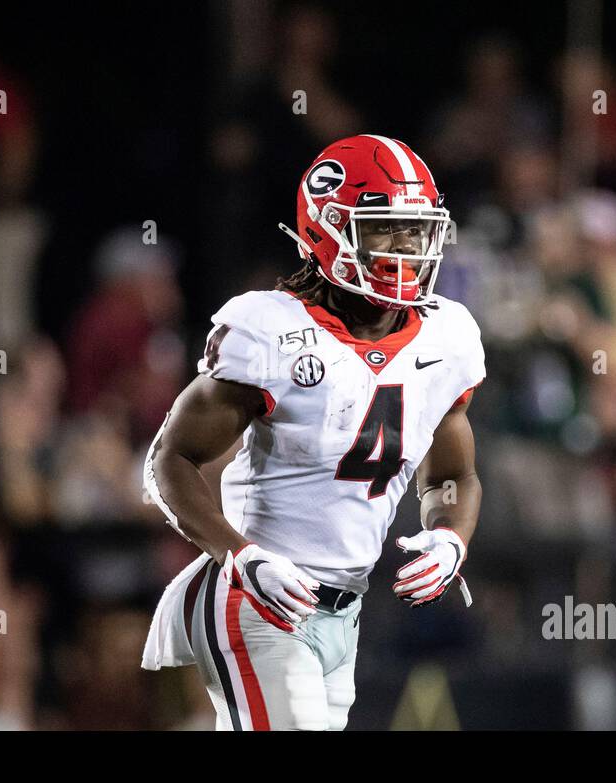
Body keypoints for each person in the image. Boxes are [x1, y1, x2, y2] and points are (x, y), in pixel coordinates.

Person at [140, 135, 485, 730]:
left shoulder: (445, 336)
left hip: (343, 614)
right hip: (255, 601)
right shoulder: (271, 330)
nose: (405, 248)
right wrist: (239, 557)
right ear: (328, 228)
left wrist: (449, 536)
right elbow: (169, 460)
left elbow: (454, 474)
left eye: (416, 229)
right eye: (383, 229)